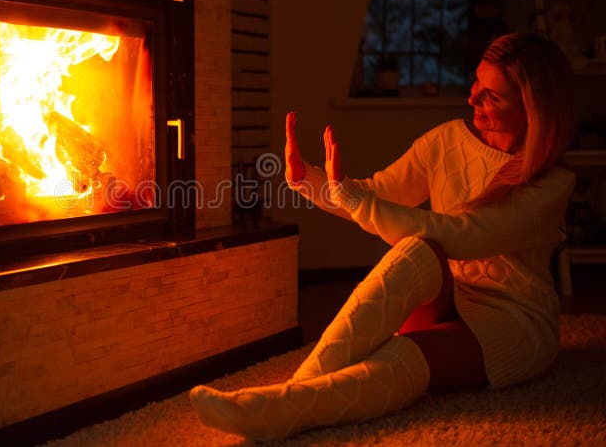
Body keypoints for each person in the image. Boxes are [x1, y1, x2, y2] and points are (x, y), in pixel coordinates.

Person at [189, 32, 578, 441]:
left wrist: (355, 199)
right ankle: (292, 392)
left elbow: (464, 236)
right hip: (450, 294)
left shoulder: (552, 183)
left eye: (491, 98)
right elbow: (375, 193)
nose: (472, 101)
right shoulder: (447, 140)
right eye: (475, 85)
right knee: (417, 248)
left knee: (401, 357)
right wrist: (308, 179)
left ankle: (287, 407)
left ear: (533, 110)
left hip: (512, 319)